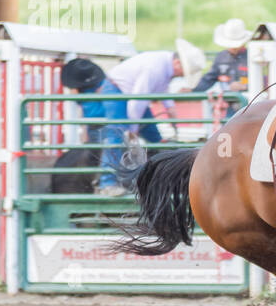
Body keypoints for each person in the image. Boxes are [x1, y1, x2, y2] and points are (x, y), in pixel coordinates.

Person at [93, 41, 205, 194]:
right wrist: (132, 130)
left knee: (154, 136)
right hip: (118, 91)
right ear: (177, 63)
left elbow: (159, 90)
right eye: (183, 72)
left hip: (129, 93)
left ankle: (162, 175)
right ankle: (108, 183)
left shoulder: (163, 66)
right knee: (117, 135)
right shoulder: (155, 68)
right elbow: (138, 100)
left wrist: (169, 107)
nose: (182, 75)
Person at [198, 18, 251, 119]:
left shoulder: (251, 57)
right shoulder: (221, 57)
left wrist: (245, 86)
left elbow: (263, 80)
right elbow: (208, 79)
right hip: (229, 106)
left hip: (249, 103)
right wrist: (192, 89)